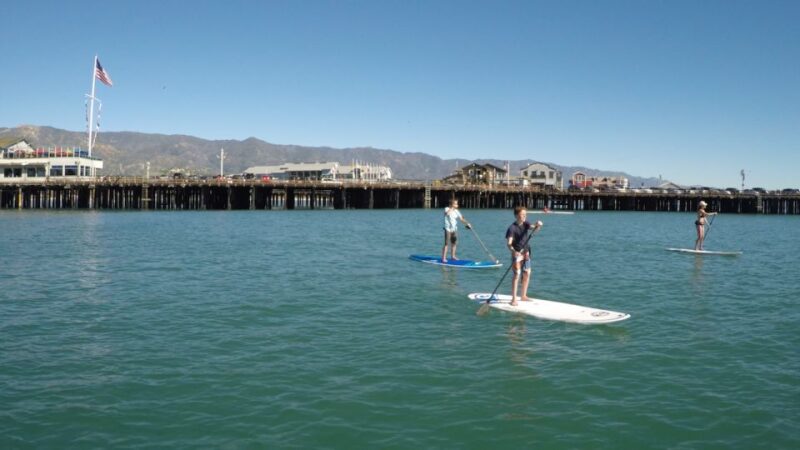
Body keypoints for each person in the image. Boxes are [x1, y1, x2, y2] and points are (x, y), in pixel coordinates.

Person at [506, 206, 543, 306]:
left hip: (526, 252)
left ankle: (523, 296)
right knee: (517, 274)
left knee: (527, 272)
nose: (524, 216)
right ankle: (514, 298)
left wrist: (538, 225)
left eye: (525, 214)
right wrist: (513, 251)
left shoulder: (526, 224)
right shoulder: (511, 228)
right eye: (522, 214)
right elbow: (509, 244)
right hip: (517, 253)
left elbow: (533, 228)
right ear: (516, 215)